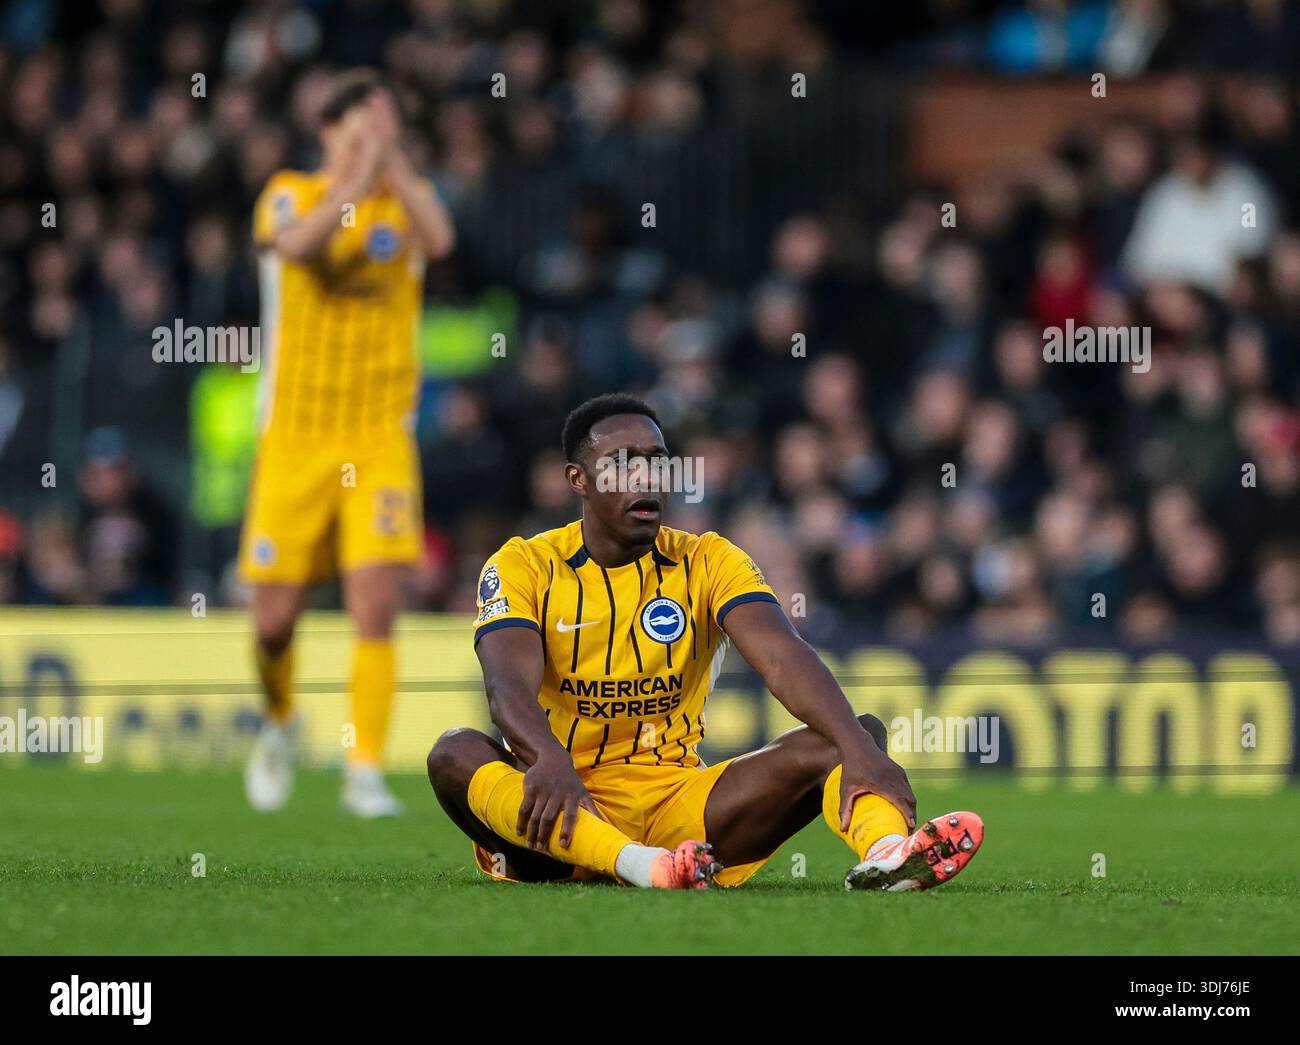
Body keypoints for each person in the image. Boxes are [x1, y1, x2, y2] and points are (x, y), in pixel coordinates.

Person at [427, 393, 984, 889]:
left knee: (853, 733)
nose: (646, 479)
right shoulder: (526, 564)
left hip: (680, 806)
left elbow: (781, 656)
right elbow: (506, 687)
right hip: (563, 805)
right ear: (579, 480)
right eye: (623, 465)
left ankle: (887, 855)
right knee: (454, 751)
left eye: (656, 463)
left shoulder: (708, 559)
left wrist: (864, 754)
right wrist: (546, 758)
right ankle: (637, 864)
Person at [241, 70, 455, 817]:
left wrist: (388, 167)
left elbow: (442, 238)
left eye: (389, 121)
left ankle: (362, 767)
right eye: (366, 121)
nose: (380, 132)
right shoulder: (290, 191)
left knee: (376, 604)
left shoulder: (405, 201)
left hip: (379, 434)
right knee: (273, 619)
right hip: (295, 436)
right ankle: (278, 722)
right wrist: (354, 176)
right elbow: (298, 249)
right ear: (328, 128)